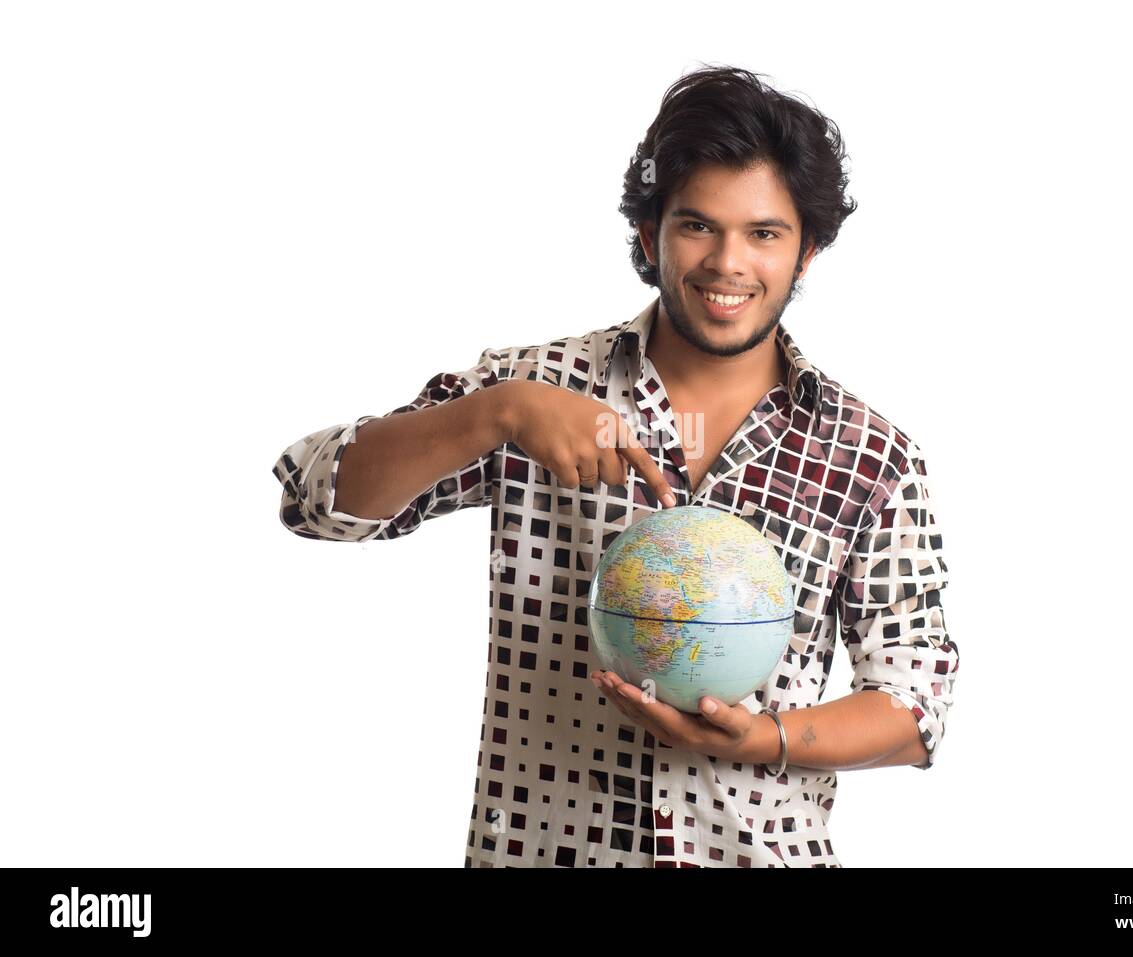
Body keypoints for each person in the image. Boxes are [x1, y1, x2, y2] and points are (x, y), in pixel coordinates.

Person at [271, 65, 958, 868]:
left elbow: (916, 705)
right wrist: (497, 412)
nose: (728, 263)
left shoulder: (869, 455)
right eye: (697, 226)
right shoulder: (535, 391)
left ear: (805, 252)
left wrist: (766, 738)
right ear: (648, 235)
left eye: (764, 233)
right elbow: (316, 498)